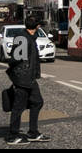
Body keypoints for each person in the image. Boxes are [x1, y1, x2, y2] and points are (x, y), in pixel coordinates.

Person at [6, 15, 49, 144]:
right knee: (18, 107)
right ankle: (13, 135)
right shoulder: (22, 38)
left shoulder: (29, 37)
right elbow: (14, 58)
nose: (40, 26)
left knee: (37, 102)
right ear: (37, 26)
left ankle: (33, 132)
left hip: (29, 78)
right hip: (23, 78)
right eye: (39, 24)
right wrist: (20, 74)